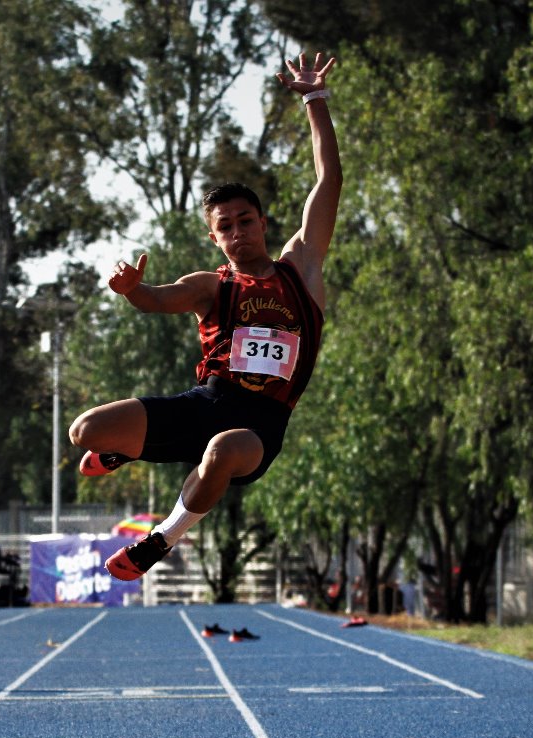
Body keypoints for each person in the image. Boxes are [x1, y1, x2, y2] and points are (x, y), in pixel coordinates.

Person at [69, 52, 341, 580]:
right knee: (86, 431)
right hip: (206, 402)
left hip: (260, 425)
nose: (238, 231)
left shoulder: (301, 269)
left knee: (219, 451)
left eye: (246, 220)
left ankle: (162, 538)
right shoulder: (211, 285)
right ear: (214, 238)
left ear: (263, 223)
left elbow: (328, 180)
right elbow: (158, 298)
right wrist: (133, 290)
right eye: (226, 226)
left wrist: (315, 99)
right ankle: (126, 450)